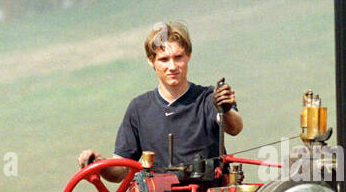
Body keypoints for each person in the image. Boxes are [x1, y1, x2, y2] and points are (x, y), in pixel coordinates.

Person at [77, 20, 242, 175]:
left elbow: (235, 128)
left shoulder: (209, 98)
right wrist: (98, 164)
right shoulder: (139, 109)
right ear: (151, 61)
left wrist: (225, 110)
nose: (172, 66)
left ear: (189, 55)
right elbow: (120, 170)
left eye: (178, 57)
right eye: (164, 59)